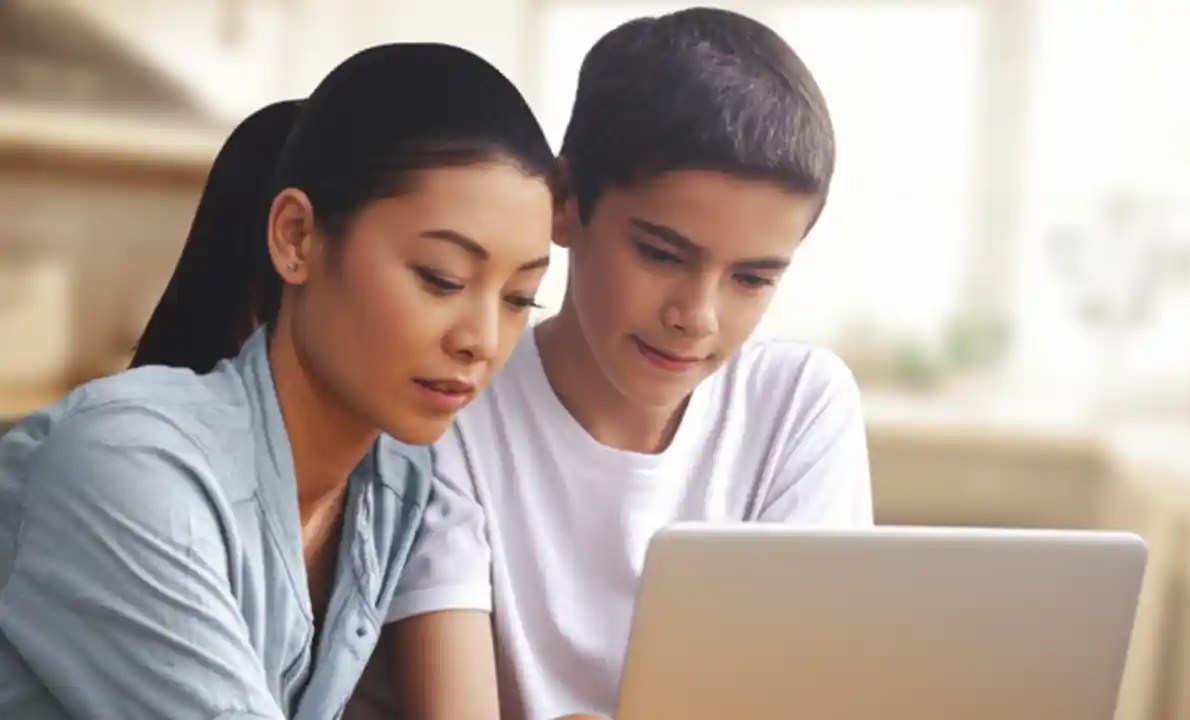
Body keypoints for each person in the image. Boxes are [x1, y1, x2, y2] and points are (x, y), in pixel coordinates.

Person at [0, 43, 555, 719]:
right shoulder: (126, 466)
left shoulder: (397, 484)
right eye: (441, 279)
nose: (483, 340)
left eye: (520, 298)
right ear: (297, 238)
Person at [361, 8, 874, 720]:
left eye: (752, 279)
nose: (697, 315)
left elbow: (810, 694)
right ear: (565, 204)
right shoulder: (451, 405)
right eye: (663, 255)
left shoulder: (799, 406)